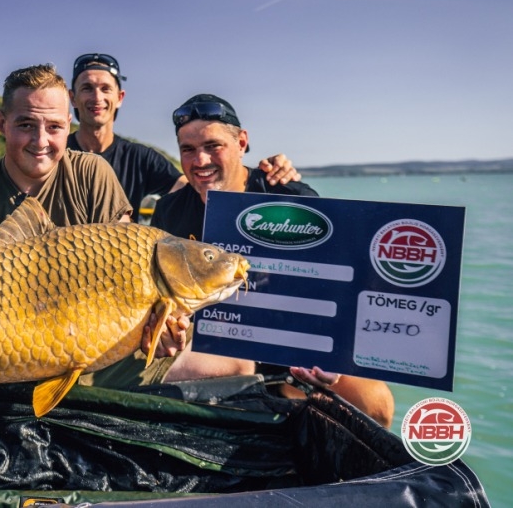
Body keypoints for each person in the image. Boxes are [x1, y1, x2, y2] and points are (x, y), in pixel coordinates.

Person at [148, 93, 395, 428]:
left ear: (242, 142)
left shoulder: (287, 194)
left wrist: (329, 357)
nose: (200, 160)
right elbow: (161, 299)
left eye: (212, 145)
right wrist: (168, 329)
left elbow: (336, 290)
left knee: (376, 405)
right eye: (188, 150)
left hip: (294, 347)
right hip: (216, 343)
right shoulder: (168, 211)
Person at [0, 63, 131, 262]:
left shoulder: (92, 175)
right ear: (2, 123)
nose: (41, 141)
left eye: (54, 127)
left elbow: (126, 265)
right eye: (26, 125)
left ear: (69, 125)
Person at [66, 53, 301, 220]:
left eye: (106, 88)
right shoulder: (54, 154)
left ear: (120, 97)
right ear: (72, 97)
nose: (97, 97)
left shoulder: (140, 158)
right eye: (87, 88)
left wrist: (269, 177)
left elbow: (196, 183)